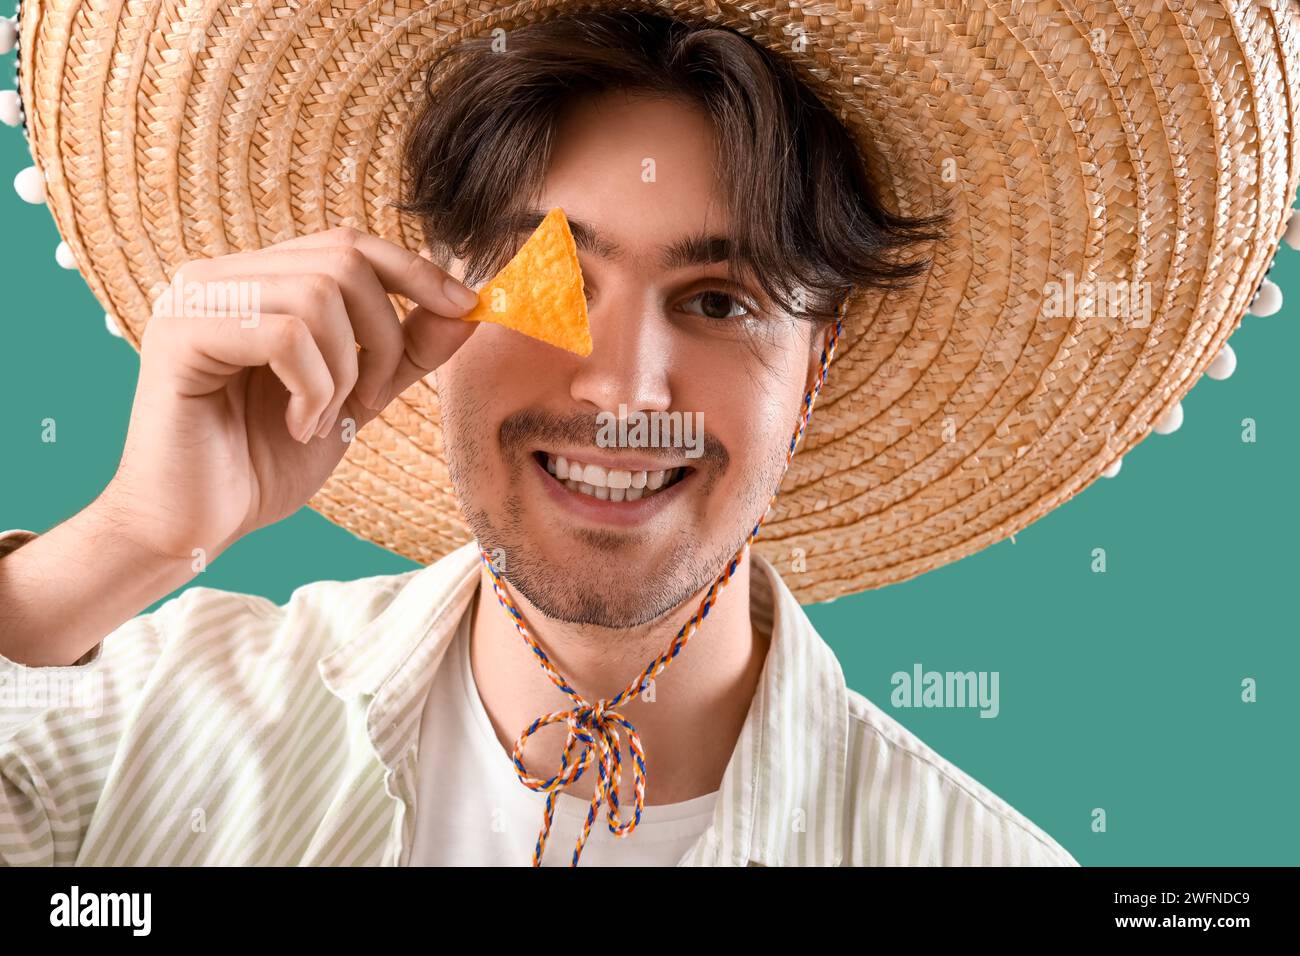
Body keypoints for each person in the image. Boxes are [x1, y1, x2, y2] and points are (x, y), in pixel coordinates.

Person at [28, 1, 1284, 866]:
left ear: (812, 373)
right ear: (438, 301)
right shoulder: (147, 724)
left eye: (719, 301)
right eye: (551, 280)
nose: (623, 384)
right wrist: (131, 537)